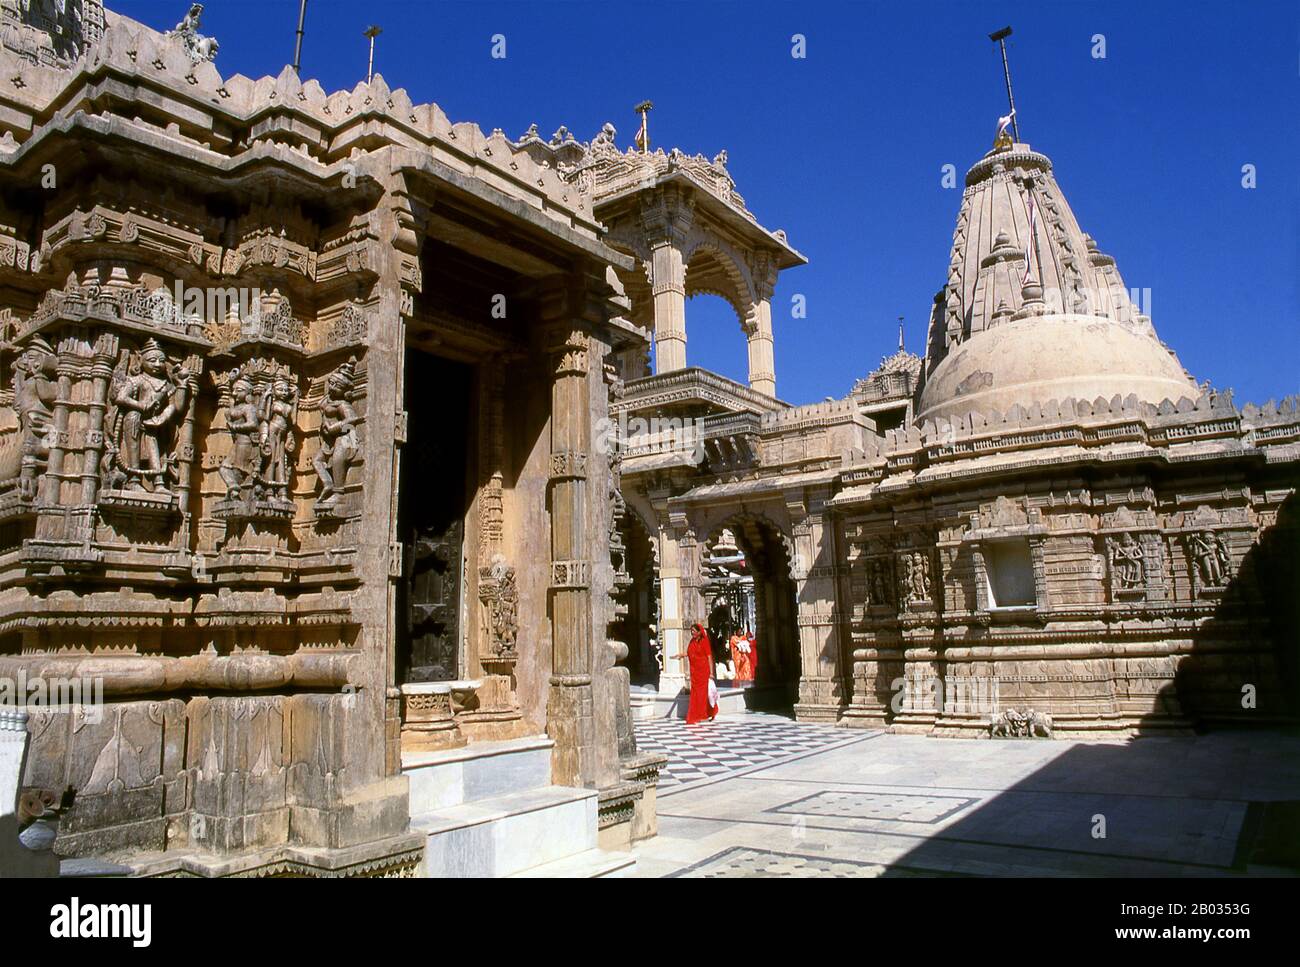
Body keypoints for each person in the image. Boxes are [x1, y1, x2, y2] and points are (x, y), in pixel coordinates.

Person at [671, 622, 718, 724]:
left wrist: (711, 672)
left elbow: (709, 657)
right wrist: (680, 655)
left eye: (694, 631)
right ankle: (702, 713)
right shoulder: (692, 641)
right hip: (695, 672)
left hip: (703, 671)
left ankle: (701, 715)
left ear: (699, 632)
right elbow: (689, 653)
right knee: (695, 694)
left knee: (702, 694)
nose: (692, 633)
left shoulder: (704, 642)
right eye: (691, 631)